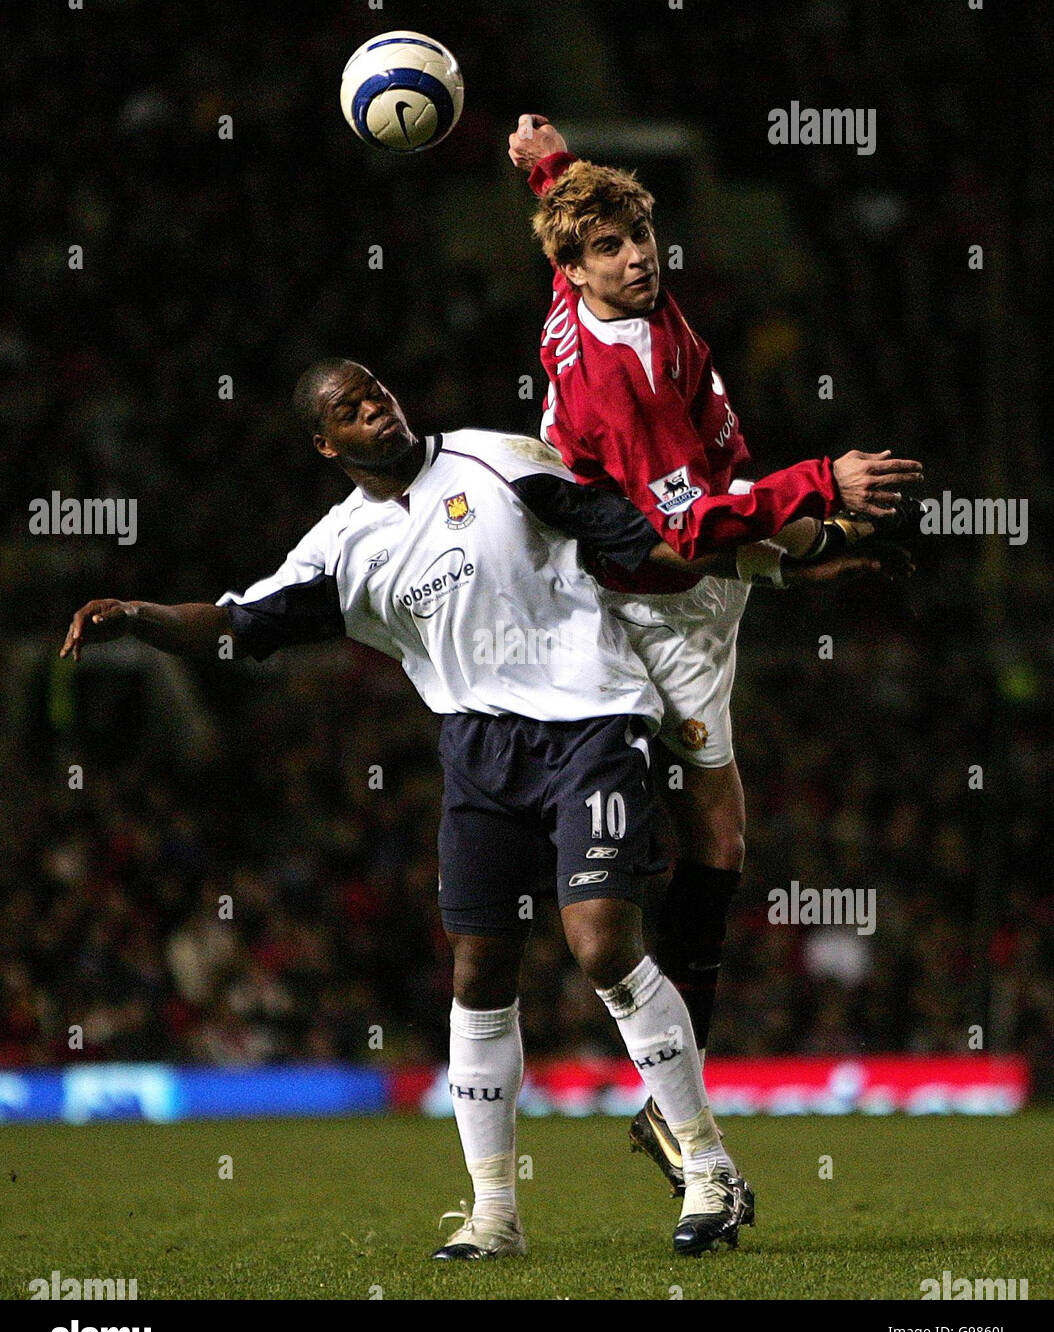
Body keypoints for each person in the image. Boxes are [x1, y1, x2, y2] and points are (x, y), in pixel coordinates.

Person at [60, 360, 886, 1259]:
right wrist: (137, 616)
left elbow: (641, 542)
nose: (377, 409)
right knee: (477, 976)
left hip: (593, 724)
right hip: (479, 758)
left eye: (377, 392)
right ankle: (495, 1211)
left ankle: (707, 1166)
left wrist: (780, 566)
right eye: (351, 409)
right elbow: (231, 622)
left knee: (603, 938)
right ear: (325, 444)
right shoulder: (340, 551)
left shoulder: (502, 459)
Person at [508, 116, 923, 1233]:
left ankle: (809, 562)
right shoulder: (620, 378)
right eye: (611, 246)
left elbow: (565, 211)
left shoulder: (586, 296)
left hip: (696, 568)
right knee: (720, 842)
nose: (637, 256)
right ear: (573, 266)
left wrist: (546, 159)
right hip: (664, 604)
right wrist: (816, 483)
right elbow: (688, 534)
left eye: (640, 233)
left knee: (719, 826)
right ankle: (669, 1087)